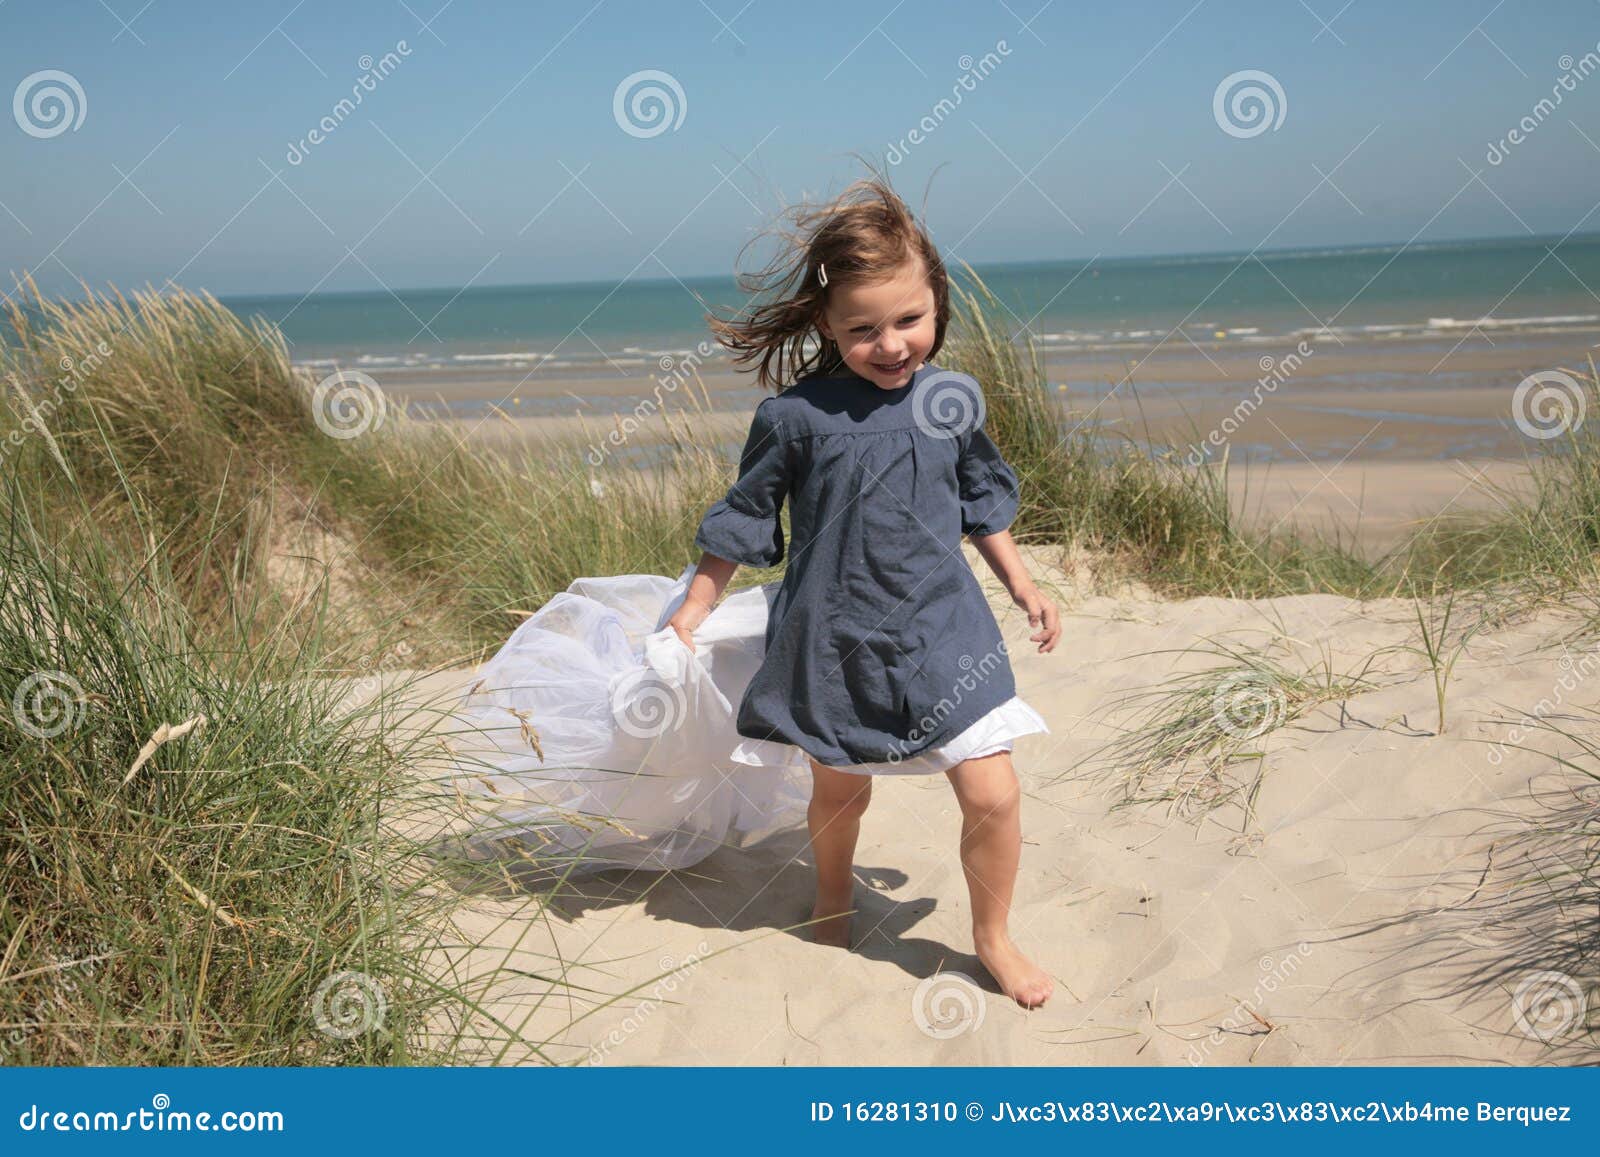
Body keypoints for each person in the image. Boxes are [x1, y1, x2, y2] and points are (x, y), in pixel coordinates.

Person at [666, 173, 1060, 1009]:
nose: (891, 345)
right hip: (834, 629)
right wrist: (695, 606)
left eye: (909, 320)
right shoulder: (794, 418)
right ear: (825, 324)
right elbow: (743, 518)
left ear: (937, 301)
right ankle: (834, 894)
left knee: (993, 786)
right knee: (840, 786)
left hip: (942, 625)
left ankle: (992, 936)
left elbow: (981, 500)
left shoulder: (954, 398)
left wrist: (1023, 583)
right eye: (863, 329)